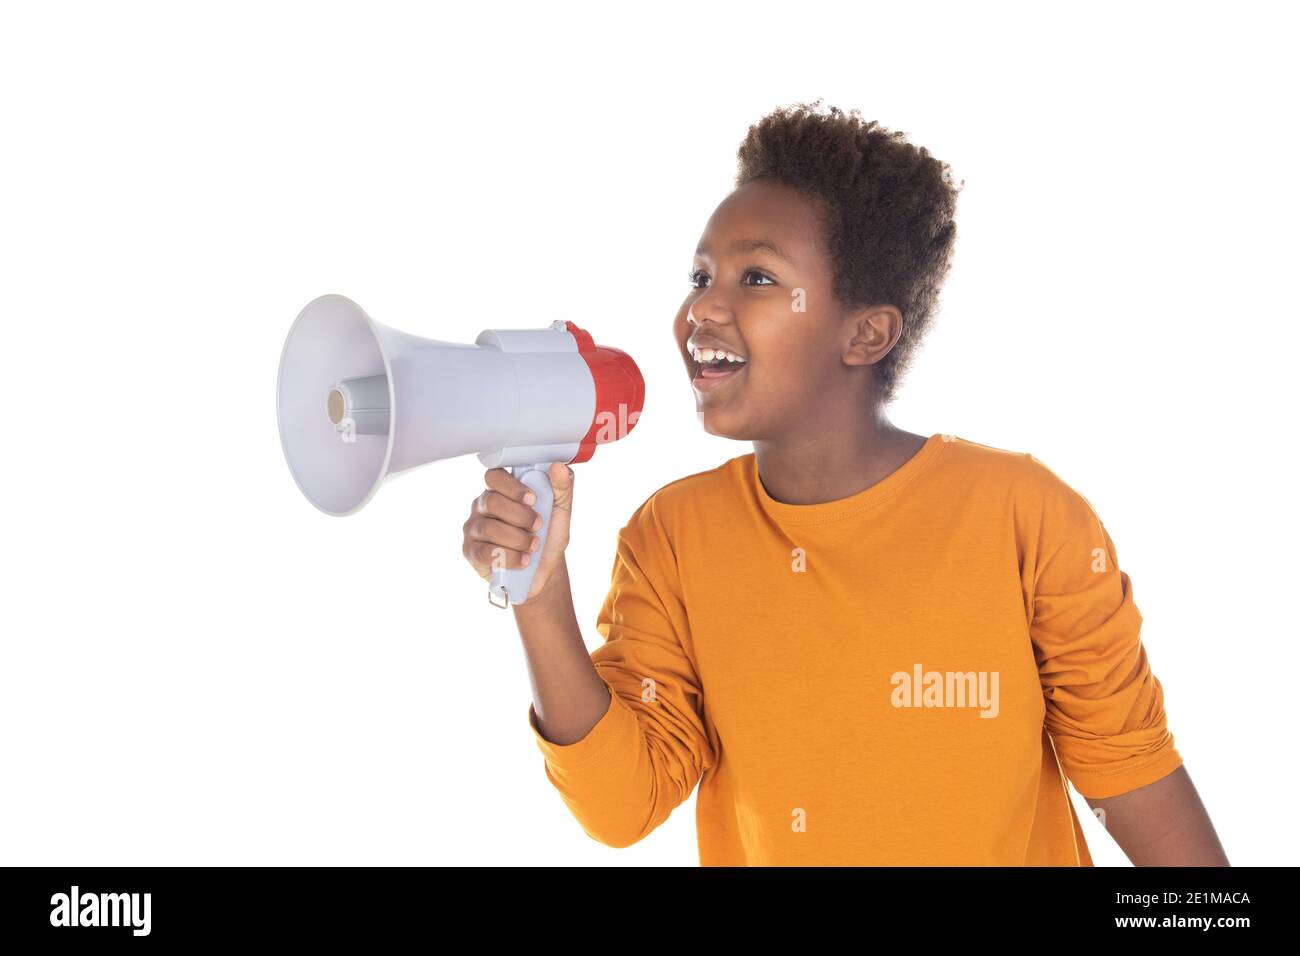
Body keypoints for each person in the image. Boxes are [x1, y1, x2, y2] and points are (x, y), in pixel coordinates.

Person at [461, 99, 1227, 866]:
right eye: (700, 276)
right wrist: (541, 595)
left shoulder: (1023, 514)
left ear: (866, 333)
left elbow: (1131, 777)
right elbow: (621, 806)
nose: (702, 307)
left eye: (756, 277)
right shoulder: (672, 535)